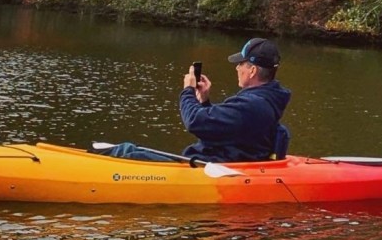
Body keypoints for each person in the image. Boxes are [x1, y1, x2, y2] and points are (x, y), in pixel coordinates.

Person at [99, 38, 291, 163]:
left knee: (127, 153)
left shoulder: (252, 104)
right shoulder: (264, 100)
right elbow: (223, 130)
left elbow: (195, 123)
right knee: (127, 150)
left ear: (252, 70)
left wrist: (188, 91)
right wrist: (205, 102)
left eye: (240, 64)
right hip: (212, 161)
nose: (236, 68)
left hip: (205, 168)